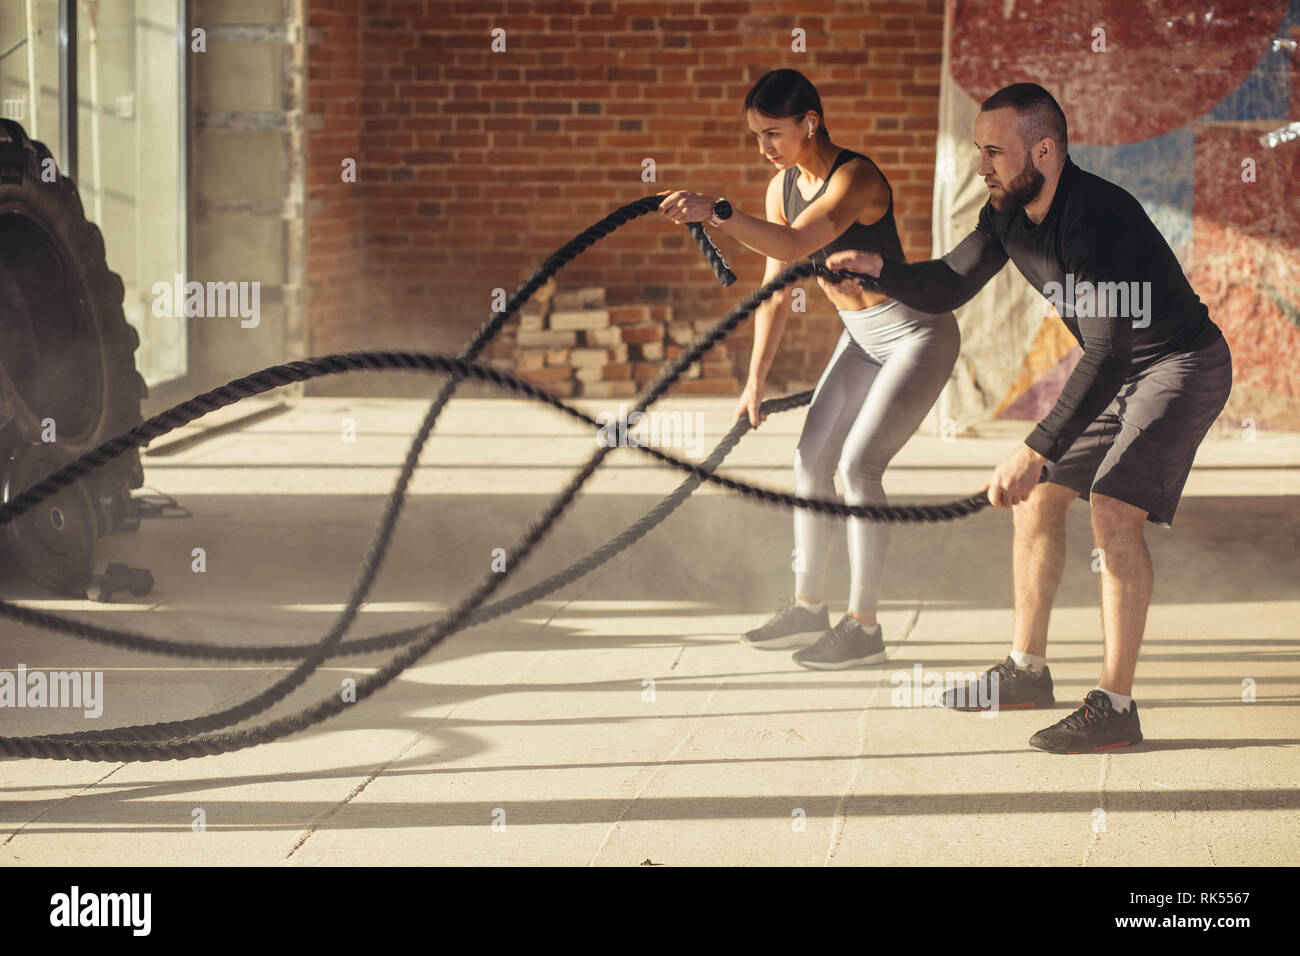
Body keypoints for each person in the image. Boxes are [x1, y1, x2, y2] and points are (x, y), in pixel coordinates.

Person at [825, 82, 1232, 752]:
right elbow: (953, 282)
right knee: (1038, 503)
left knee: (1112, 509)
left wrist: (1036, 445)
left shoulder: (1097, 219)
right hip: (1121, 366)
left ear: (1043, 151)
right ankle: (1026, 671)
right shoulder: (1007, 213)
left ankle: (1115, 707)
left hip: (1181, 364)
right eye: (979, 149)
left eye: (993, 150)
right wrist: (880, 272)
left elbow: (1107, 352)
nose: (980, 164)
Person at [657, 68, 960, 669]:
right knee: (809, 461)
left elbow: (797, 246)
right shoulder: (782, 187)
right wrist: (754, 380)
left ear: (810, 123)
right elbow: (777, 282)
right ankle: (808, 606)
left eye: (773, 133)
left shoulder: (858, 177)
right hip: (861, 338)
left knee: (858, 467)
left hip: (917, 333)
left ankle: (864, 627)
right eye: (756, 136)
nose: (764, 148)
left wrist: (716, 212)